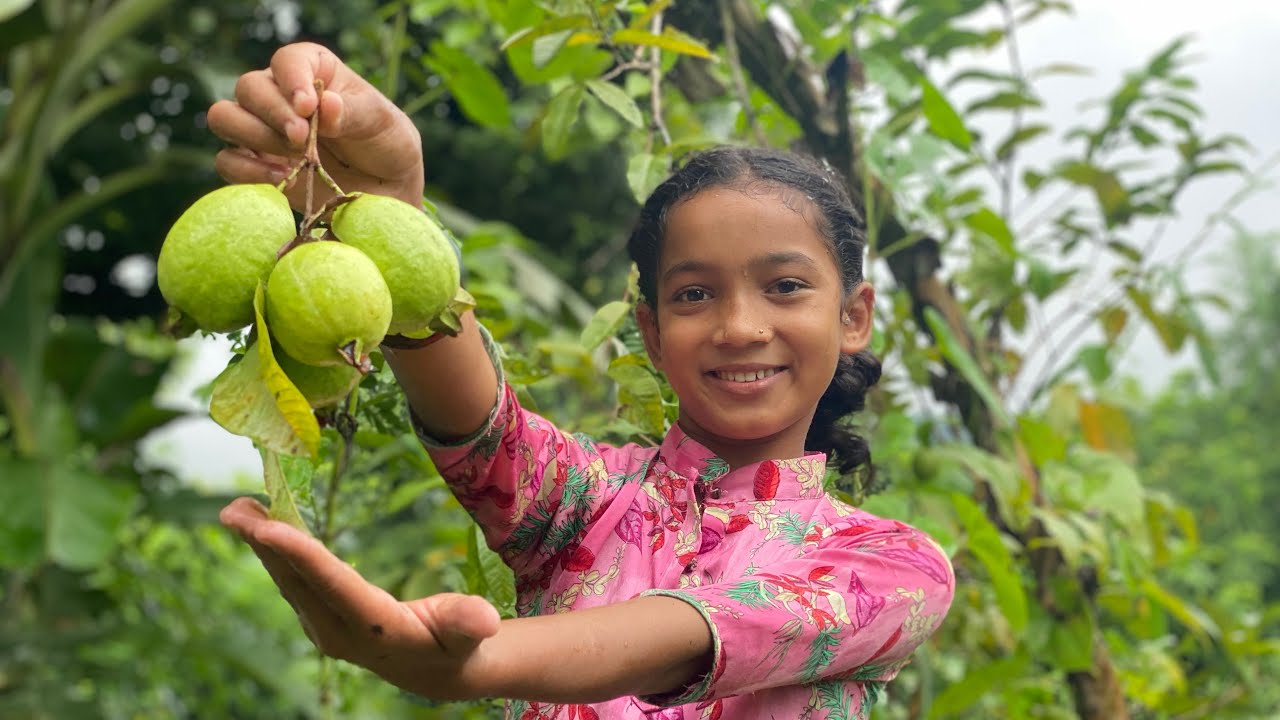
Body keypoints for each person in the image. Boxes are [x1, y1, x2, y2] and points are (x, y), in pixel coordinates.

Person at [211, 43, 955, 719]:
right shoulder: (584, 500)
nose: (739, 327)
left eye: (785, 286)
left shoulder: (896, 566)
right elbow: (476, 420)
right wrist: (387, 209)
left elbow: (697, 631)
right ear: (652, 333)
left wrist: (476, 663)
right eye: (695, 294)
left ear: (853, 316)